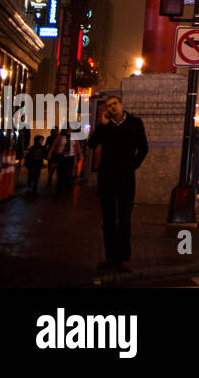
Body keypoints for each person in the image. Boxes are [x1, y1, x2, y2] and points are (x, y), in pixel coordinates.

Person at [87, 95, 149, 272]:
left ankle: (124, 258)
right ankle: (110, 257)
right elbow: (91, 143)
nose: (112, 107)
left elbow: (144, 147)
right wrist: (102, 125)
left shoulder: (135, 122)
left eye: (114, 104)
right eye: (109, 106)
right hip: (107, 179)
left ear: (121, 104)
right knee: (107, 220)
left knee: (124, 219)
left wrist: (133, 165)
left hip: (126, 178)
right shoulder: (106, 127)